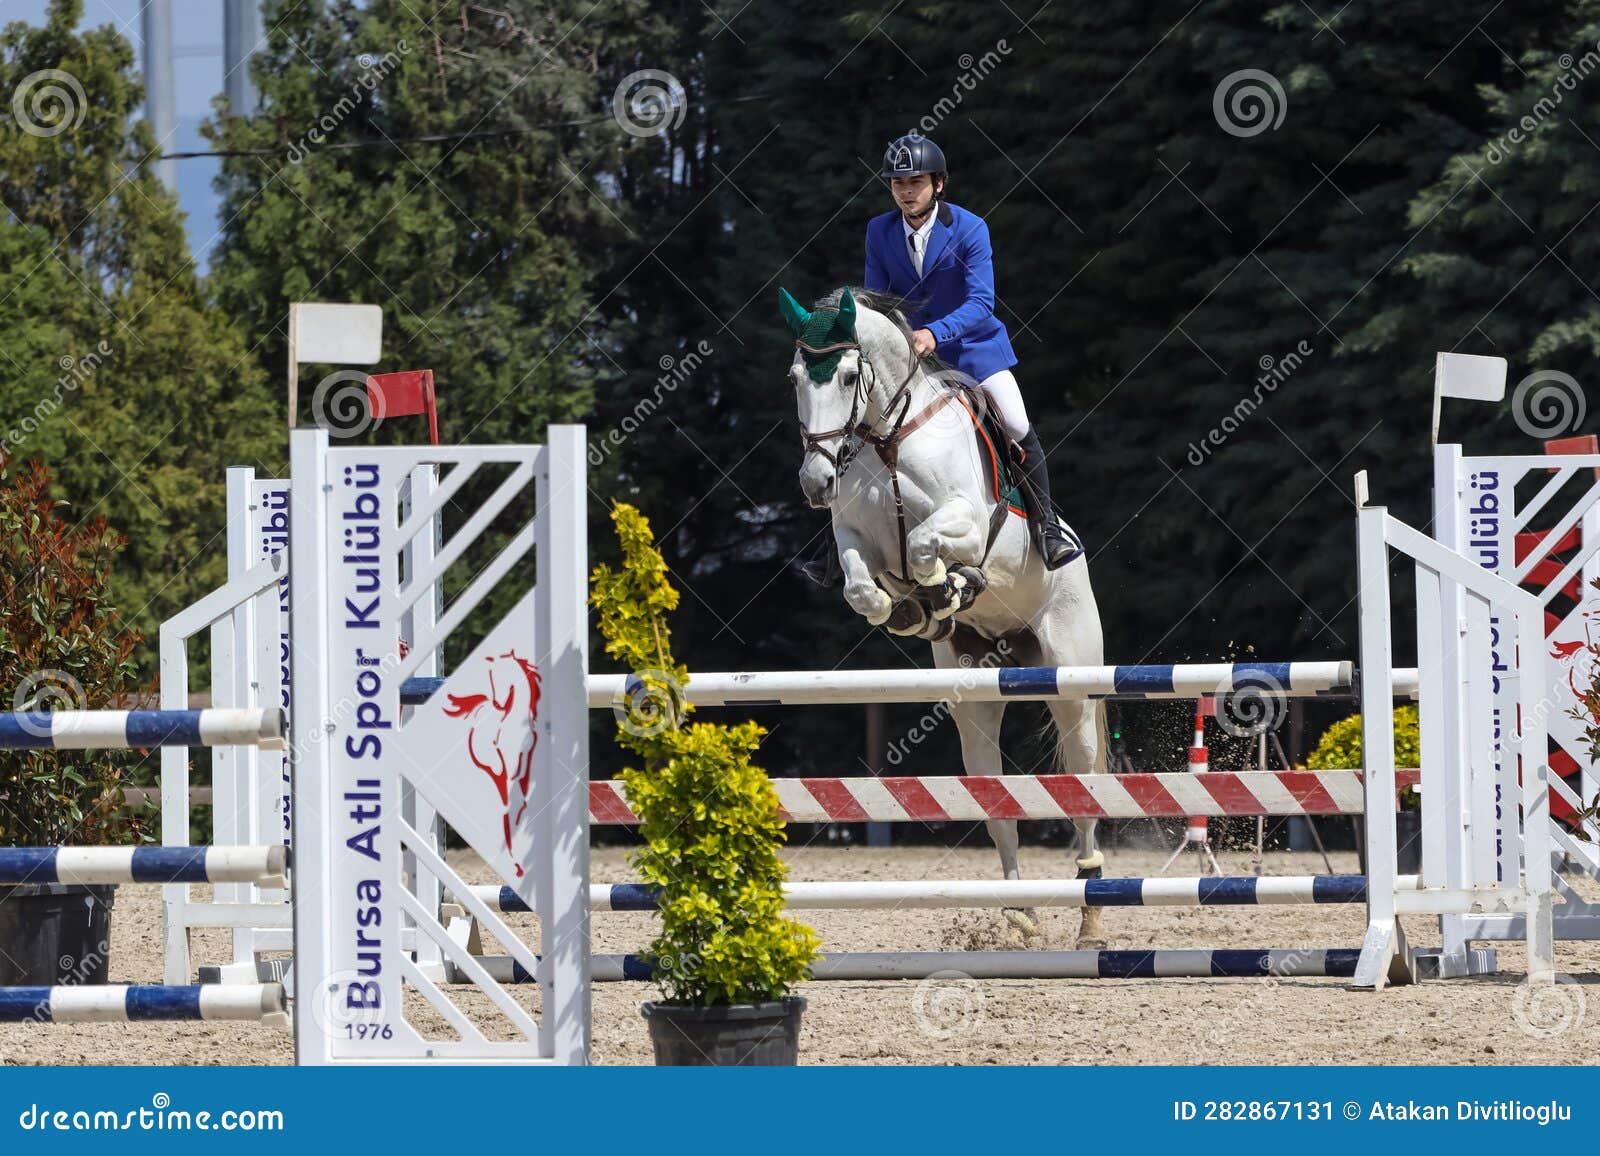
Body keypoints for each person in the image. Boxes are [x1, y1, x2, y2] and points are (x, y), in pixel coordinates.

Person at [864, 133, 1077, 569]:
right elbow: (877, 299)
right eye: (897, 182)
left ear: (938, 183)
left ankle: (1047, 527)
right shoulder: (878, 231)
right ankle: (836, 546)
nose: (905, 190)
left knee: (1016, 423)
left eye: (915, 181)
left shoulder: (969, 228)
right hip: (913, 360)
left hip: (973, 350)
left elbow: (981, 303)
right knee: (859, 426)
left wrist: (933, 333)